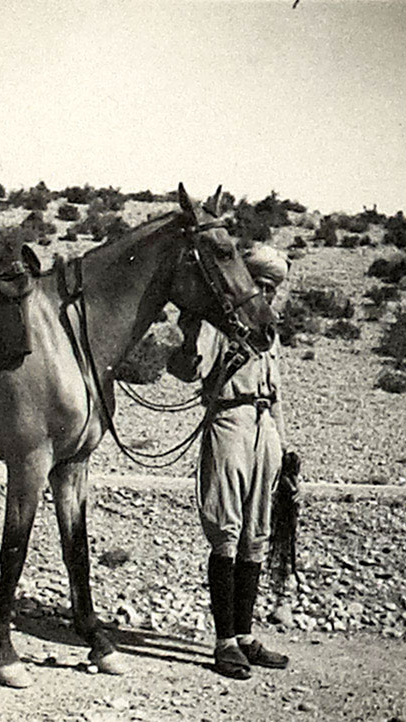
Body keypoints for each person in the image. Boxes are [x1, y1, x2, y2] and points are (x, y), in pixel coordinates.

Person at [170, 242, 291, 680]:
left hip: (264, 428)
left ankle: (244, 636)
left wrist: (285, 446)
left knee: (256, 535)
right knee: (226, 531)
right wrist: (188, 336)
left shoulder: (270, 333)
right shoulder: (221, 324)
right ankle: (223, 642)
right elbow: (187, 369)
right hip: (229, 420)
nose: (267, 294)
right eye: (260, 284)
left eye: (273, 288)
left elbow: (276, 393)